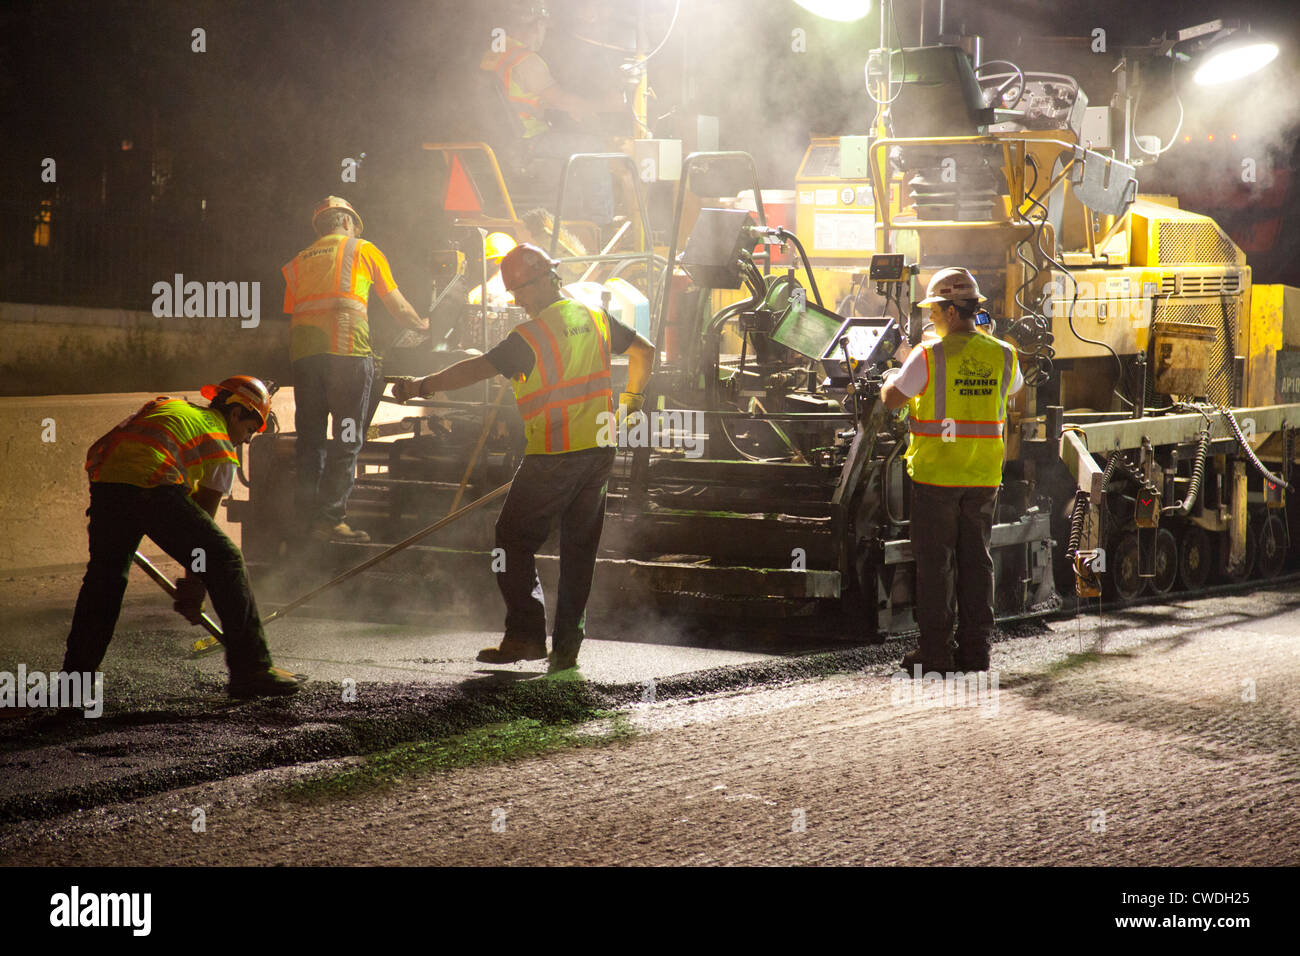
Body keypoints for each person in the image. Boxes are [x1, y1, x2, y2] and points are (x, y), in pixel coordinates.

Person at [390, 243, 655, 672]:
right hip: (600, 451)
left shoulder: (531, 336)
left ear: (543, 281)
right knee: (579, 551)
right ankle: (566, 649)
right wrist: (633, 401)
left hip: (554, 454)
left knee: (512, 539)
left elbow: (473, 370)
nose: (516, 301)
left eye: (518, 291)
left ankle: (526, 635)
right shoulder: (595, 316)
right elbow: (646, 351)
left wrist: (419, 386)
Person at [64, 376, 301, 699]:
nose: (247, 441)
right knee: (227, 559)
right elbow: (203, 533)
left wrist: (194, 583)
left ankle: (74, 684)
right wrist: (194, 588)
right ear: (235, 414)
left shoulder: (173, 407)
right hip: (152, 486)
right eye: (249, 430)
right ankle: (252, 670)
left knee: (104, 583)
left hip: (106, 484)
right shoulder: (219, 442)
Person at [881, 268, 1023, 674]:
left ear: (949, 310)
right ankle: (976, 651)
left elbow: (893, 399)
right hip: (982, 478)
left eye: (934, 311)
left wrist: (892, 375)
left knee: (936, 566)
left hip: (937, 479)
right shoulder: (1004, 354)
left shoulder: (928, 355)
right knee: (977, 564)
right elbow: (1013, 389)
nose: (931, 317)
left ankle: (936, 652)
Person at [283, 196, 428, 543]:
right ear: (348, 222)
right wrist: (422, 326)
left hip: (304, 359)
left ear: (320, 227)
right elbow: (396, 305)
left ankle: (304, 523)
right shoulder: (362, 249)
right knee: (347, 438)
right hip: (347, 354)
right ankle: (330, 520)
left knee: (310, 442)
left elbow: (298, 310)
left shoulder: (297, 262)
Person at [480, 1, 624, 225]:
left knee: (573, 150)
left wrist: (557, 107)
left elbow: (514, 98)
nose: (544, 34)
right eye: (544, 27)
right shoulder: (526, 60)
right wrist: (607, 105)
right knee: (594, 147)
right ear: (536, 25)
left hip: (500, 143)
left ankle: (574, 217)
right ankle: (601, 222)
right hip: (527, 142)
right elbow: (561, 99)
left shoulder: (493, 56)